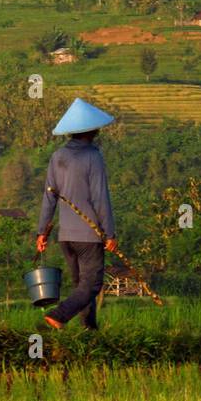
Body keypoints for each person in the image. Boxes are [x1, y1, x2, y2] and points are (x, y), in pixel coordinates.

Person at [35, 98, 119, 330]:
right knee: (91, 286)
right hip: (88, 236)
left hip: (66, 237)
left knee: (81, 286)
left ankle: (89, 330)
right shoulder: (94, 157)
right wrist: (110, 233)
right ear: (92, 130)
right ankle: (58, 315)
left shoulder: (57, 156)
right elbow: (100, 197)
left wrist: (42, 232)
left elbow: (49, 196)